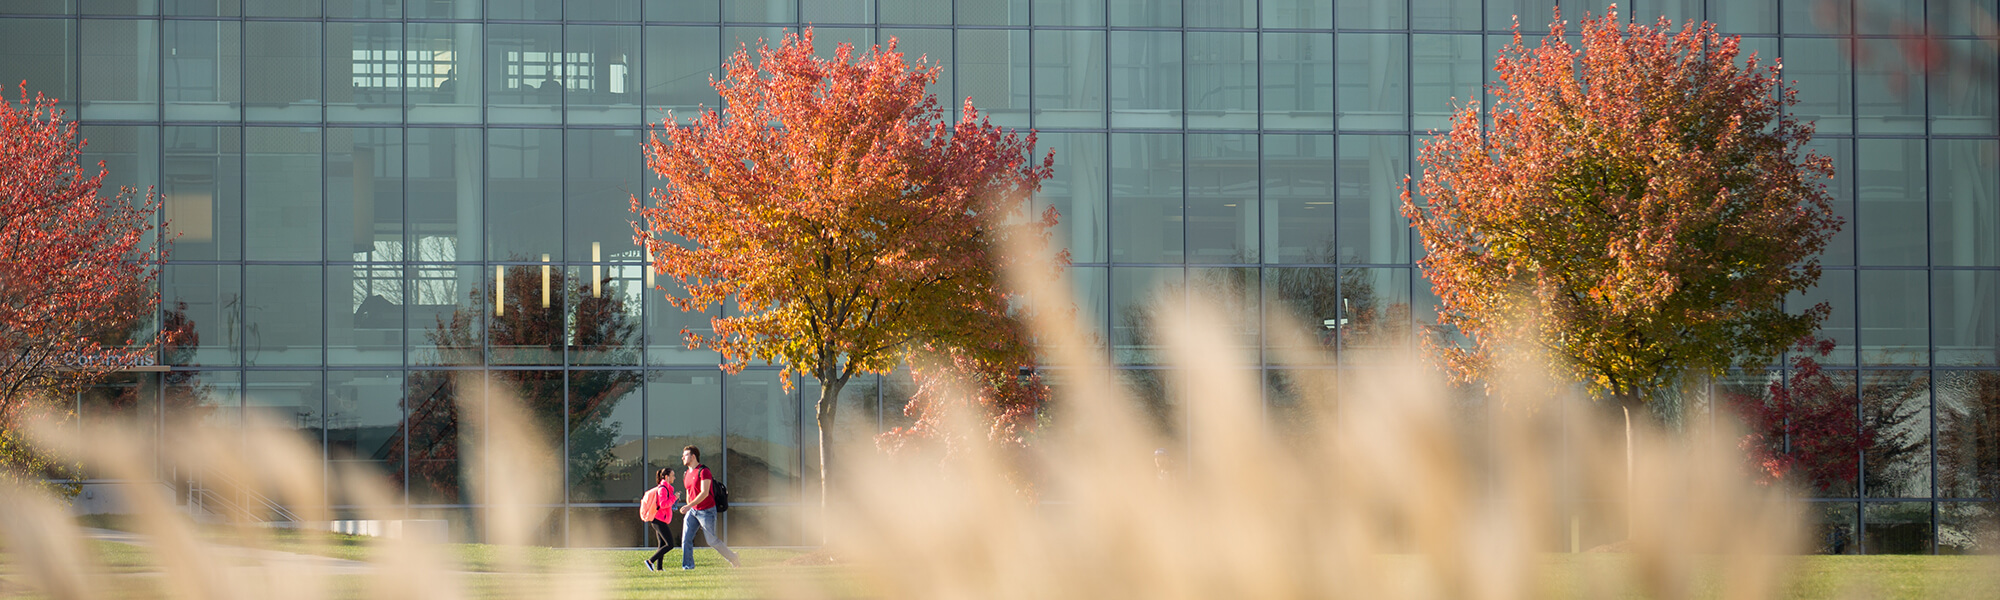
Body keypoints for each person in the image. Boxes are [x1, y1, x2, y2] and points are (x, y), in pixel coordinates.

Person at [679, 445, 740, 569]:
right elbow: (688, 492)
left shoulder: (704, 471)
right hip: (693, 511)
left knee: (711, 541)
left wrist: (688, 505)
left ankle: (733, 557)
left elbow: (704, 492)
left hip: (707, 511)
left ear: (693, 456)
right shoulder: (686, 473)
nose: (682, 458)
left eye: (685, 455)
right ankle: (688, 566)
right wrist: (689, 507)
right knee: (686, 539)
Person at [639, 468, 678, 571]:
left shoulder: (666, 488)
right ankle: (650, 561)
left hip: (660, 520)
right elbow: (663, 504)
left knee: (662, 544)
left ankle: (659, 568)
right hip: (658, 520)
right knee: (670, 544)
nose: (674, 477)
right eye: (673, 475)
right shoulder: (663, 489)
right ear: (667, 477)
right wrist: (674, 498)